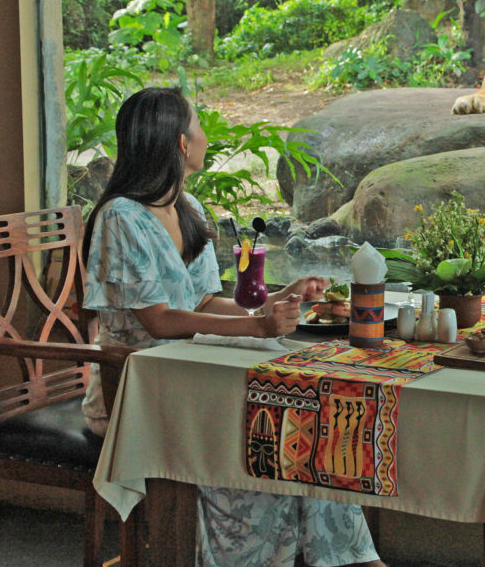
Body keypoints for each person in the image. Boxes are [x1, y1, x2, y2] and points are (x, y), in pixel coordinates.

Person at [81, 87, 383, 567]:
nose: (205, 136)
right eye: (199, 125)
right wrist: (257, 328)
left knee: (303, 431)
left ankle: (353, 559)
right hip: (138, 391)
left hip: (195, 374)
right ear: (182, 143)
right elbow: (157, 319)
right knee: (268, 444)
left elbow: (203, 301)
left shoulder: (188, 207)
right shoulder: (120, 218)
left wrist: (277, 301)